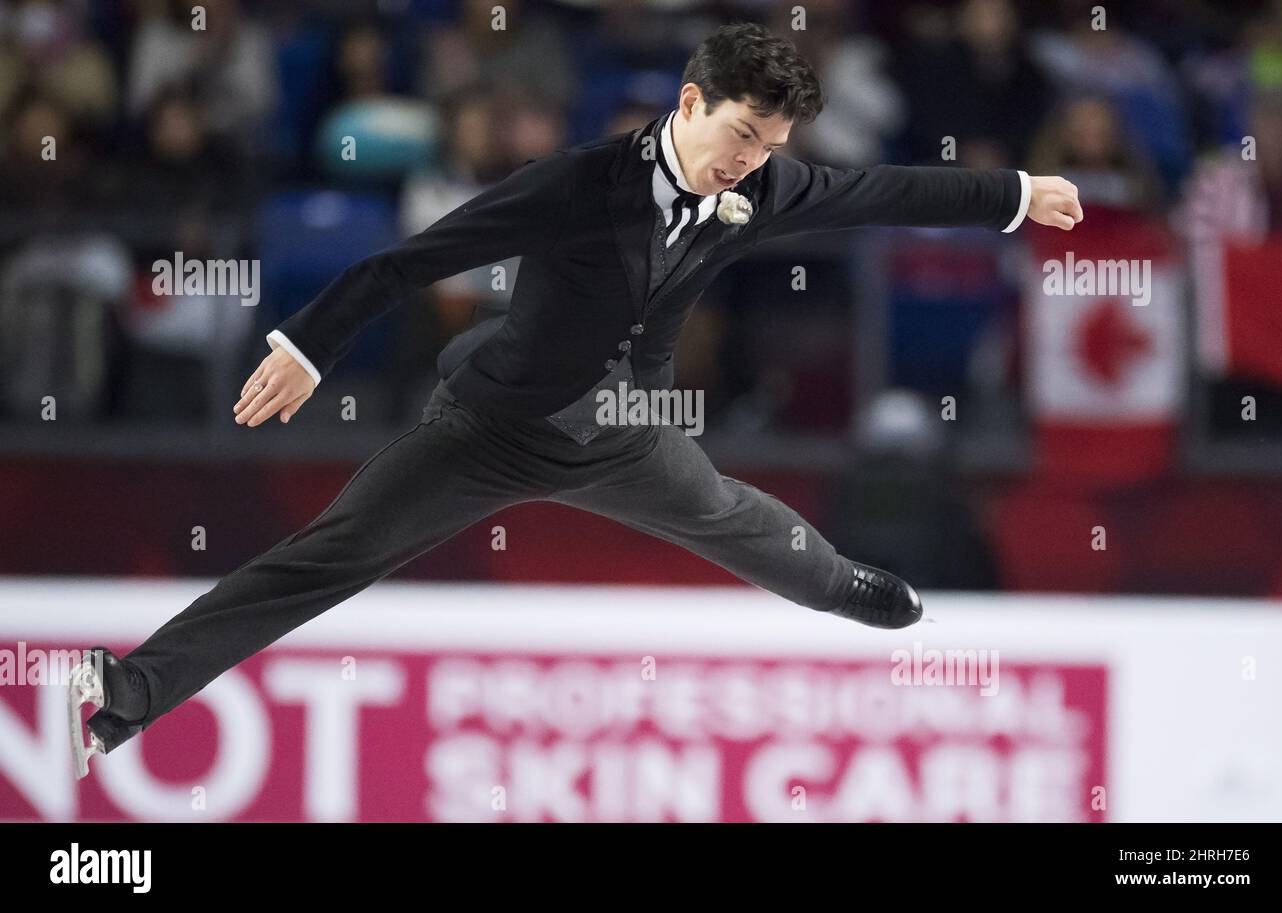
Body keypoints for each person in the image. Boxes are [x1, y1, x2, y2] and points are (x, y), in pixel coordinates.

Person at [69, 21, 1082, 778]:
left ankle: (847, 586)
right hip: (490, 429)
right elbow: (406, 261)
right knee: (324, 557)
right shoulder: (577, 184)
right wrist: (303, 344)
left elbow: (882, 194)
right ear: (688, 103)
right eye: (739, 133)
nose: (750, 160)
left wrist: (1013, 192)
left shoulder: (762, 189)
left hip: (628, 433)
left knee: (743, 524)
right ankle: (129, 696)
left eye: (768, 143)